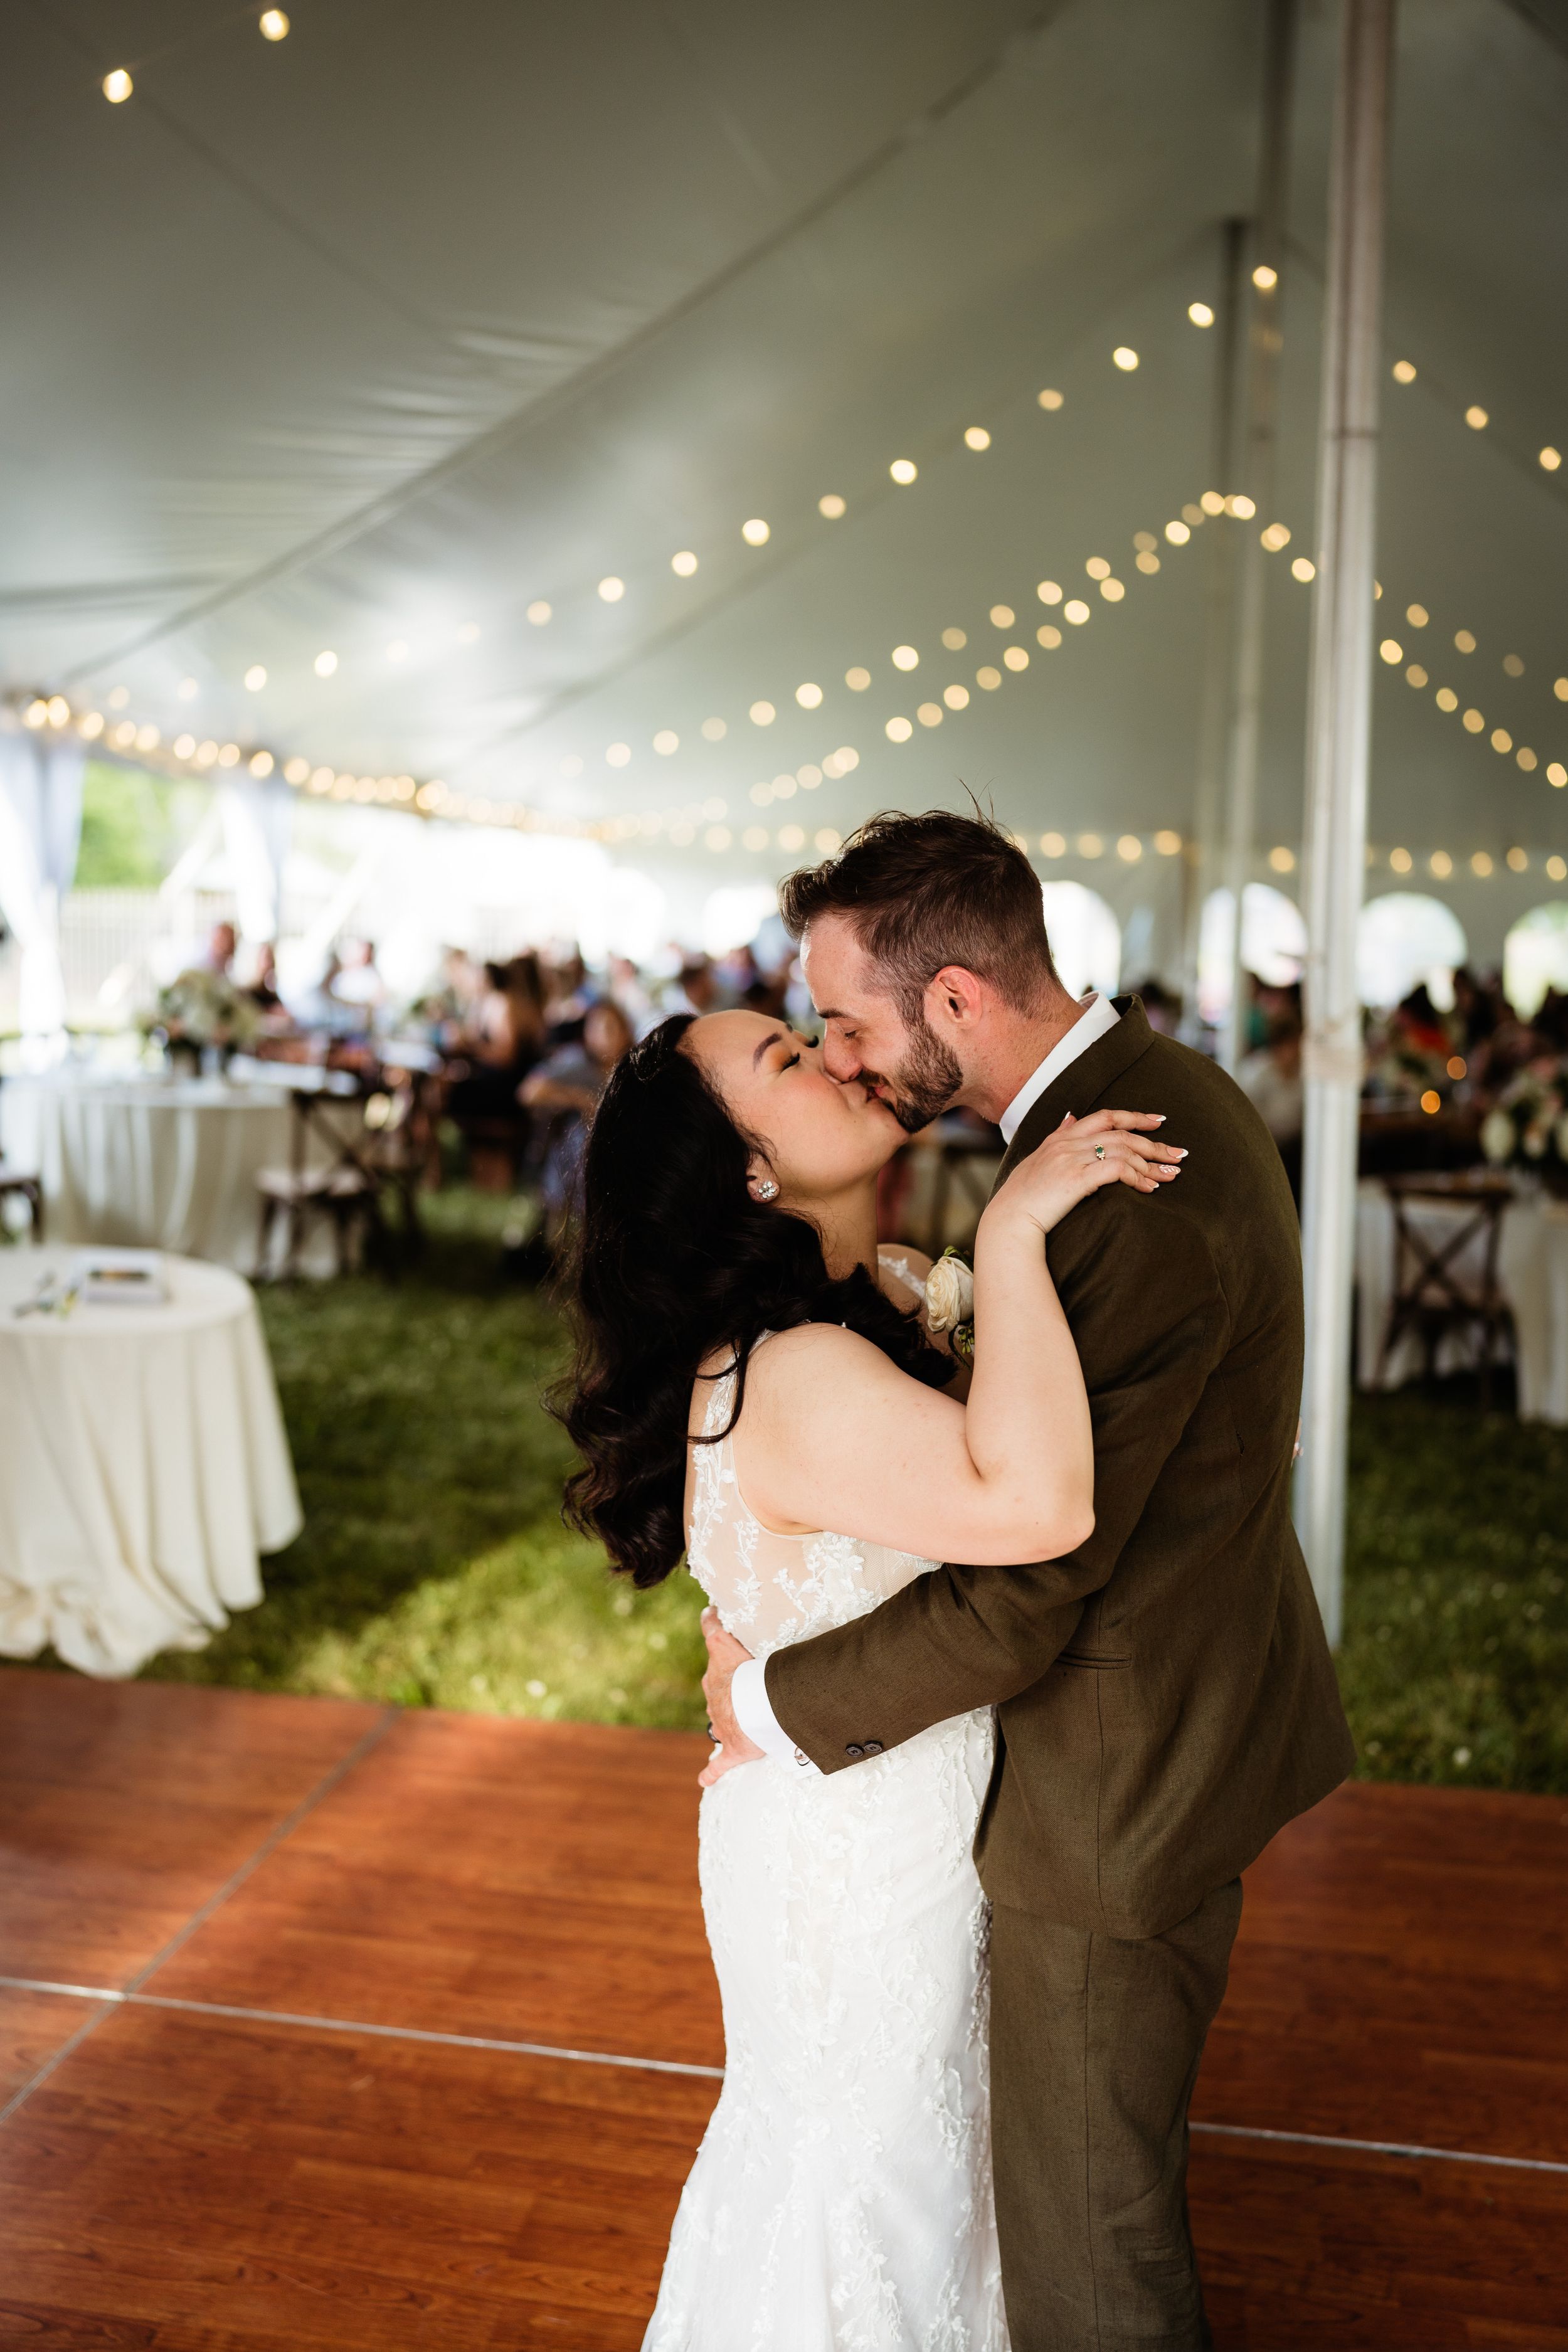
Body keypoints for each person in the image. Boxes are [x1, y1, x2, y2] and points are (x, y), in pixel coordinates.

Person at [696, 810, 1353, 2352]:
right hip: (1170, 1721)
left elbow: (1030, 1580)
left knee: (1087, 2256)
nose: (842, 1059)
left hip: (1110, 1790)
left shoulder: (1113, 1191)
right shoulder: (1148, 1099)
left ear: (954, 1000)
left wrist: (770, 1701)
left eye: (845, 1023)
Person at [563, 994, 1180, 2351]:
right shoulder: (797, 1373)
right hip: (852, 1871)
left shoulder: (881, 1298)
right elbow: (1035, 1505)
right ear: (749, 1172)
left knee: (920, 2184)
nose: (836, 1056)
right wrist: (1011, 1236)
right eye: (789, 1058)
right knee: (868, 2186)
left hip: (890, 1815)